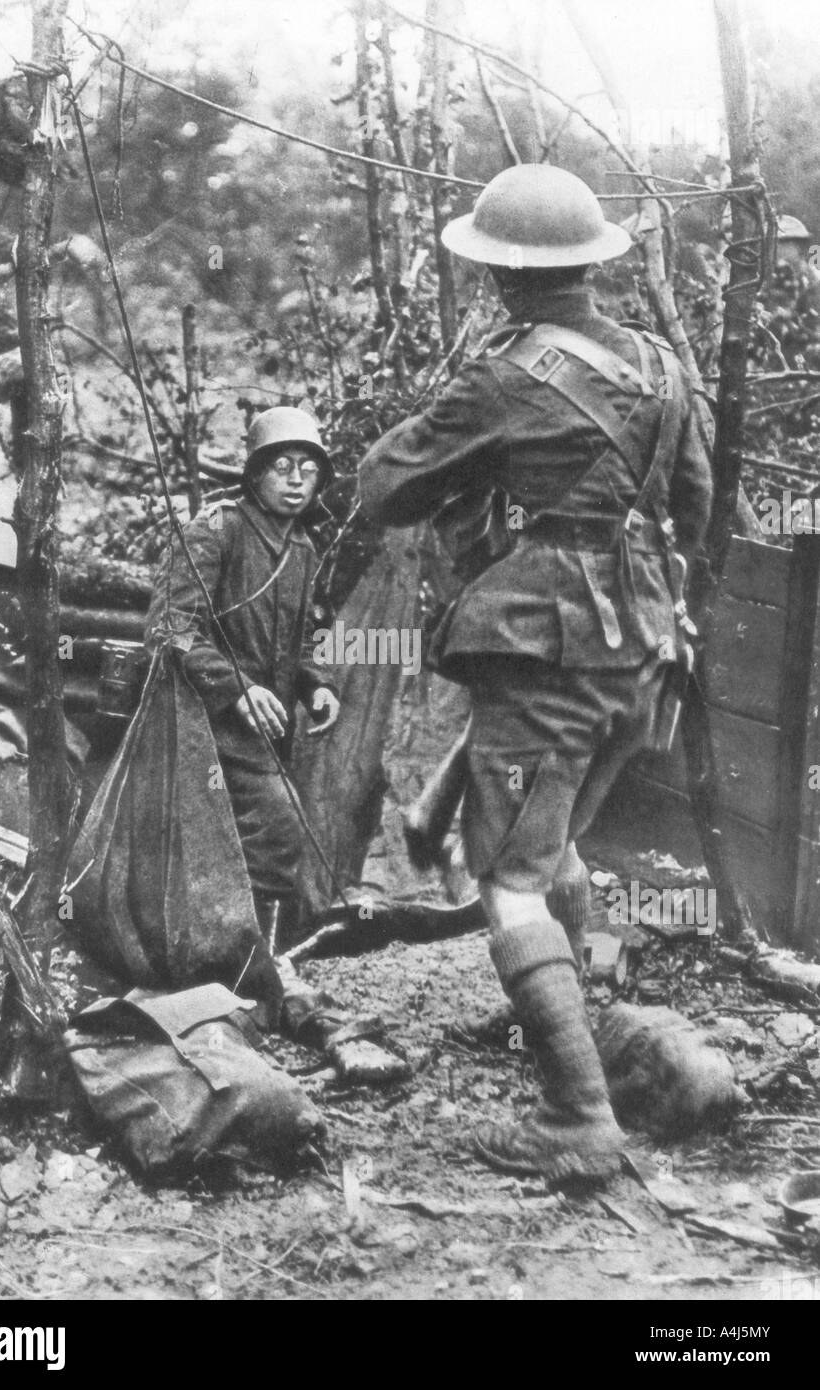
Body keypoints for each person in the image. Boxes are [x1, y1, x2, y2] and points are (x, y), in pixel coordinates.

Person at [358, 164, 714, 1181]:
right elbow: (691, 507)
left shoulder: (505, 376)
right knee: (551, 846)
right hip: (646, 651)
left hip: (547, 648)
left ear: (505, 279)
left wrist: (471, 435)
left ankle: (577, 1116)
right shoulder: (660, 366)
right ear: (588, 266)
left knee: (505, 878)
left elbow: (385, 487)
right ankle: (589, 1023)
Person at [145, 405, 340, 961]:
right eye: (283, 465)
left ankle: (251, 967)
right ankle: (237, 968)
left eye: (309, 467)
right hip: (201, 724)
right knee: (274, 833)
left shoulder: (302, 550)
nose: (298, 478)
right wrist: (236, 688)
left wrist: (316, 685)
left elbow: (301, 640)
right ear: (255, 475)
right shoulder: (217, 530)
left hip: (264, 735)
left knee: (263, 843)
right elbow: (169, 628)